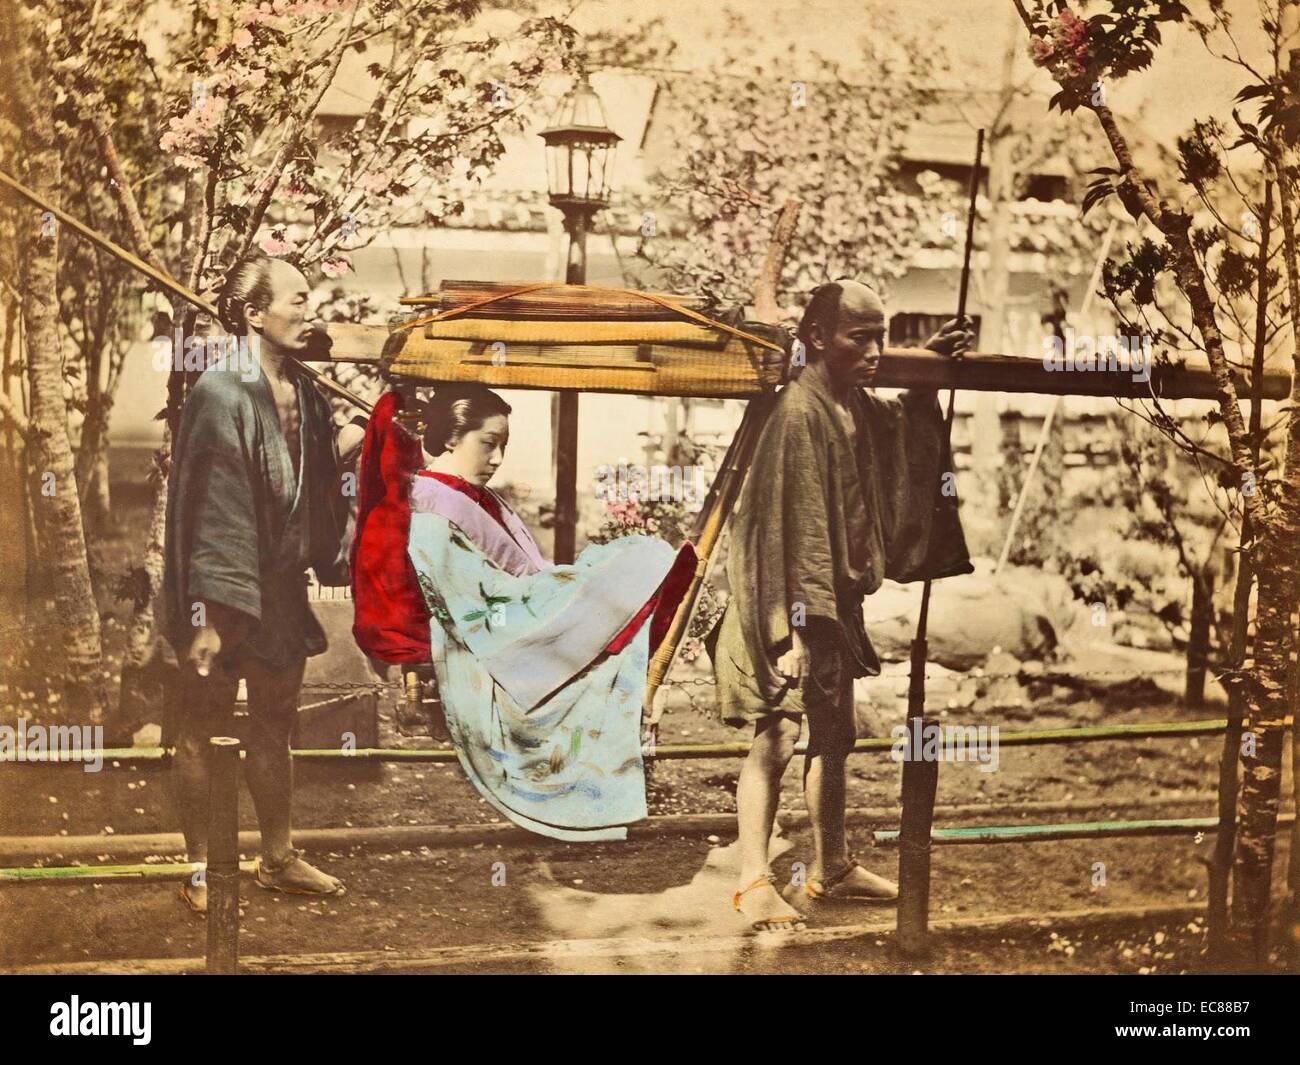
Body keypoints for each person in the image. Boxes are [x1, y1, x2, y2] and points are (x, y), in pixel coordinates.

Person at [708, 279, 974, 931]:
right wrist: (793, 629)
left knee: (834, 734)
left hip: (829, 603)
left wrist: (925, 374)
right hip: (787, 605)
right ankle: (752, 881)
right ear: (818, 337)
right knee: (779, 734)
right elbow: (788, 527)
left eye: (882, 336)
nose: (876, 349)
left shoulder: (845, 402)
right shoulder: (799, 412)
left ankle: (830, 867)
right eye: (862, 337)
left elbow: (892, 432)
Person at [351, 384, 695, 841]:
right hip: (491, 627)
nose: (497, 459)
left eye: (503, 447)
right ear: (451, 437)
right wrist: (561, 590)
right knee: (631, 566)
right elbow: (475, 596)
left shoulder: (470, 494)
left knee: (633, 562)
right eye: (488, 443)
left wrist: (560, 584)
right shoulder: (434, 503)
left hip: (515, 604)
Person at [162, 254, 365, 914]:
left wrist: (365, 438)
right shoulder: (221, 393)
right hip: (216, 588)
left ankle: (276, 857)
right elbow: (218, 507)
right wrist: (208, 618)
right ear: (254, 313)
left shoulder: (302, 392)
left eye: (312, 299)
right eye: (297, 300)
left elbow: (300, 487)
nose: (309, 312)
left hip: (276, 587)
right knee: (201, 728)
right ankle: (197, 865)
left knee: (274, 725)